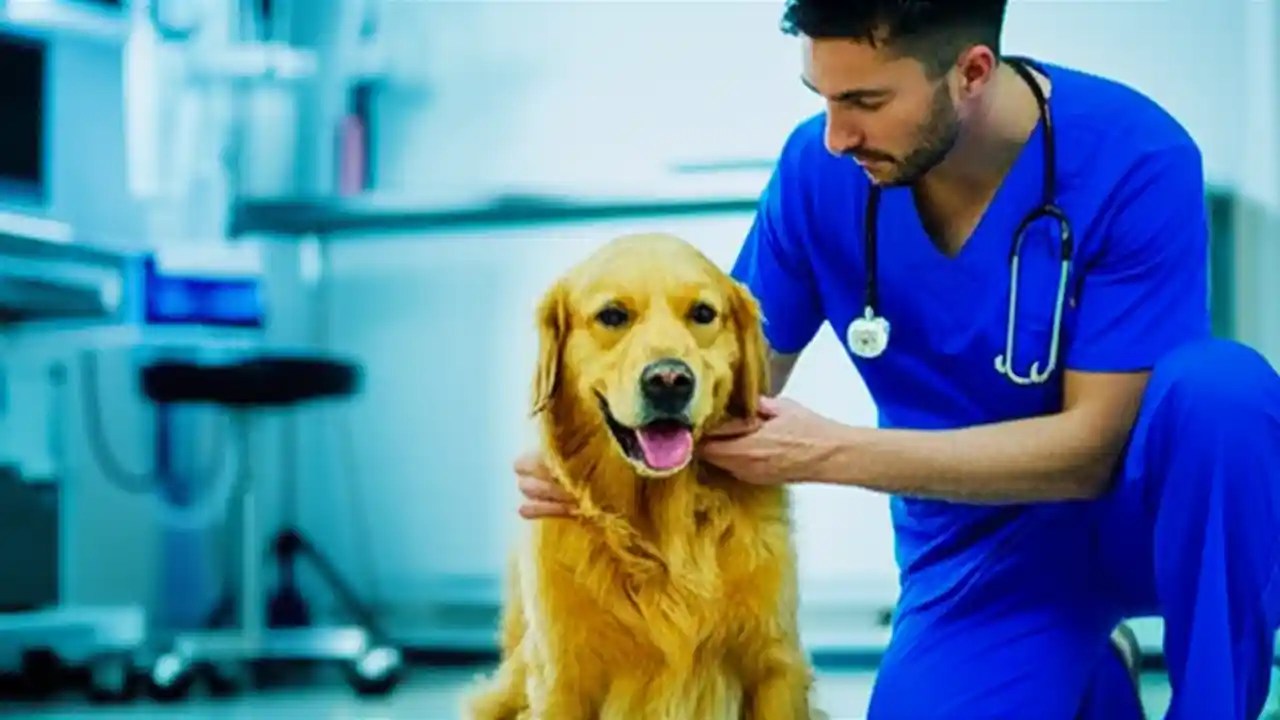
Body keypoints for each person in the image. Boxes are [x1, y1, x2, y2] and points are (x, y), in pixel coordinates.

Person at [514, 1, 1280, 718]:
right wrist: (600, 452)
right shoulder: (821, 174)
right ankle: (1084, 674)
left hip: (1141, 517)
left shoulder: (1135, 158)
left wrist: (836, 453)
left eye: (866, 103)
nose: (835, 134)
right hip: (980, 554)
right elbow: (725, 385)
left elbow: (1089, 454)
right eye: (823, 96)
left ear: (972, 73)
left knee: (1224, 393)